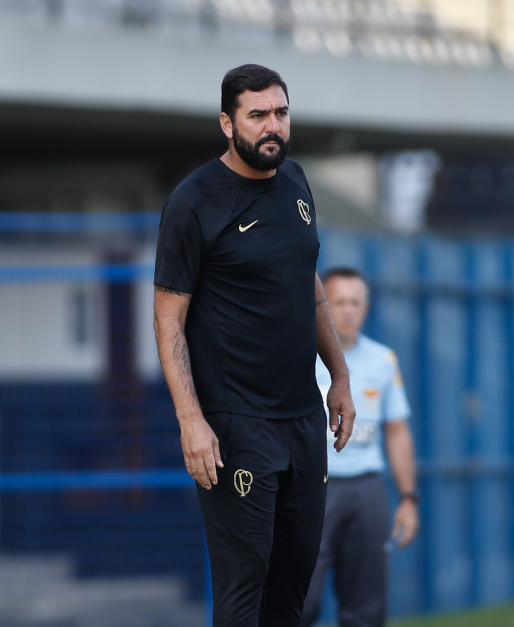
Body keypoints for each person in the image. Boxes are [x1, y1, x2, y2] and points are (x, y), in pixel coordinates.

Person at [153, 64, 356, 627]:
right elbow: (168, 323)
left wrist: (337, 375)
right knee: (245, 587)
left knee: (293, 586)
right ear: (227, 122)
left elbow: (307, 280)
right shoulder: (193, 203)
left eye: (281, 113)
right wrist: (190, 421)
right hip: (235, 423)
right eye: (258, 115)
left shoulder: (296, 182)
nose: (273, 126)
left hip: (301, 420)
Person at [301, 267, 418, 627]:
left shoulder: (383, 361)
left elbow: (397, 431)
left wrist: (408, 498)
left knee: (366, 608)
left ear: (366, 308)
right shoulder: (299, 357)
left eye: (356, 302)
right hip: (312, 491)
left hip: (366, 491)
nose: (348, 310)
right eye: (339, 302)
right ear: (321, 305)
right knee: (300, 603)